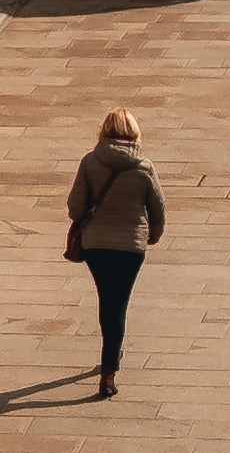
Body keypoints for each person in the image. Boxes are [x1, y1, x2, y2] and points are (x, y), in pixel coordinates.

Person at [65, 106, 165, 397]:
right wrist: (153, 235)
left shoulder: (89, 162)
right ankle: (108, 371)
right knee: (118, 304)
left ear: (103, 131)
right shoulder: (144, 166)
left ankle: (109, 358)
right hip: (130, 247)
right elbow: (158, 209)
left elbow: (75, 207)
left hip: (96, 245)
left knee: (107, 301)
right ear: (134, 132)